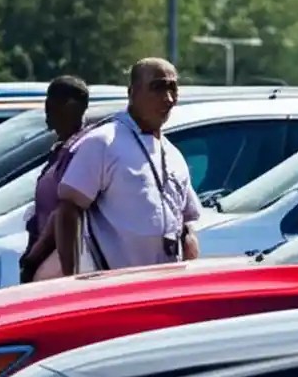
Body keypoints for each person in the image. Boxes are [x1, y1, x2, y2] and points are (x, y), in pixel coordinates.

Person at [54, 58, 201, 276]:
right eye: (158, 88)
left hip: (166, 283)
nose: (168, 98)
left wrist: (190, 276)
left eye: (173, 89)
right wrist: (71, 276)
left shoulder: (172, 154)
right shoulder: (104, 142)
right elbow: (68, 209)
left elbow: (186, 224)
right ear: (132, 93)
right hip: (117, 286)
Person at [19, 76, 91, 283]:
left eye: (51, 107)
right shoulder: (62, 149)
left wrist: (34, 258)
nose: (46, 115)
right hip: (46, 256)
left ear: (70, 108)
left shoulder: (80, 151)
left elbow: (61, 212)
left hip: (59, 262)